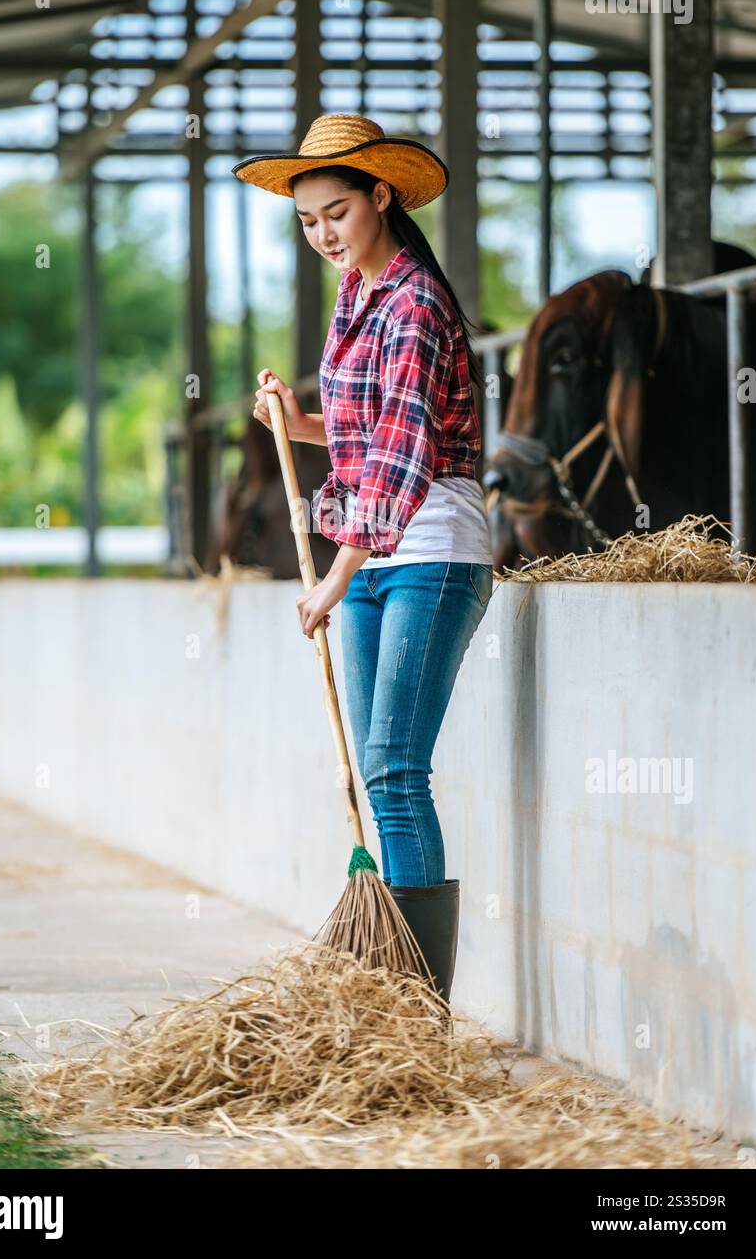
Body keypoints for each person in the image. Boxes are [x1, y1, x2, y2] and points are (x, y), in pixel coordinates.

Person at [232, 113, 493, 1005]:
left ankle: (417, 1006)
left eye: (336, 212)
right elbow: (356, 438)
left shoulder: (416, 301)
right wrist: (291, 420)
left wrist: (334, 578)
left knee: (392, 767)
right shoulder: (355, 298)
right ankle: (392, 984)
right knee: (371, 768)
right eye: (307, 222)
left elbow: (400, 457)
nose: (324, 235)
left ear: (382, 195)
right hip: (371, 555)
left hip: (430, 551)